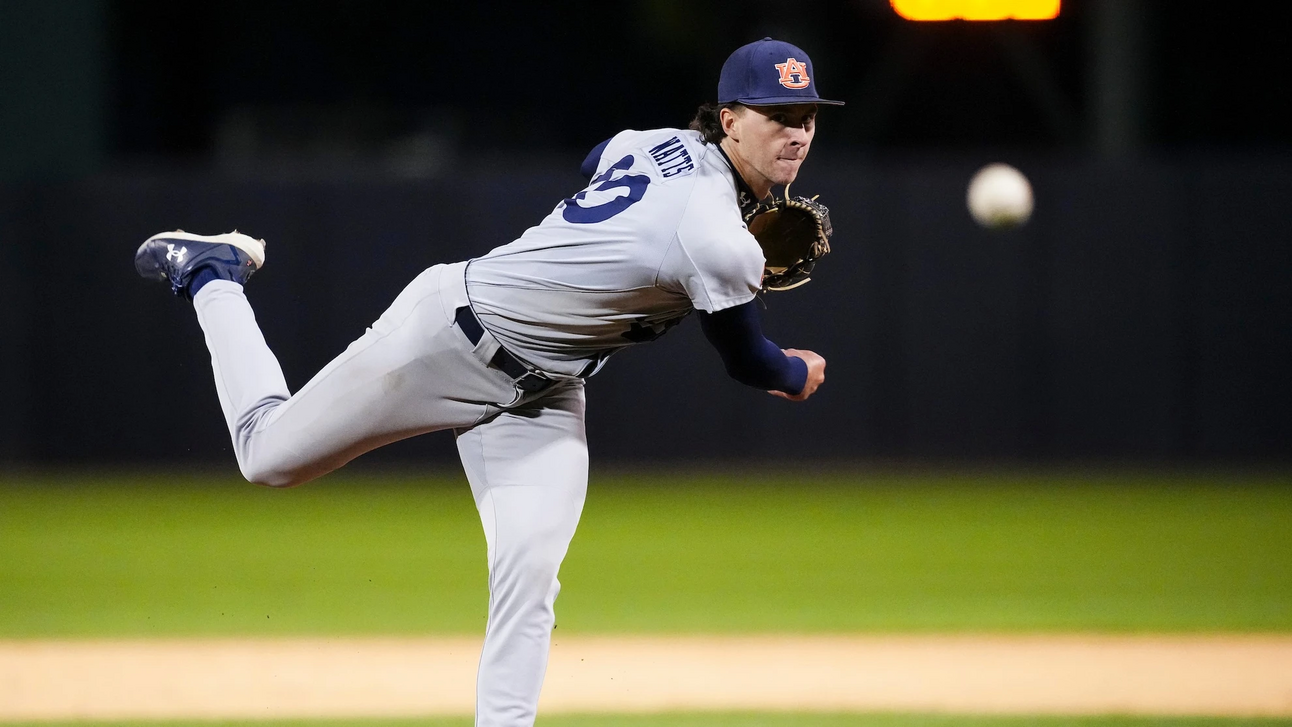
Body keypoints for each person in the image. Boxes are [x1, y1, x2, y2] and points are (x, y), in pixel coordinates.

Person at [134, 37, 840, 727]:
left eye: (806, 115)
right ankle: (212, 273)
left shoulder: (657, 145)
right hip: (449, 337)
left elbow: (602, 160)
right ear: (729, 119)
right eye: (778, 113)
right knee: (266, 458)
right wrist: (797, 370)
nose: (797, 131)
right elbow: (752, 361)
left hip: (546, 391)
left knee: (529, 578)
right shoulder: (717, 238)